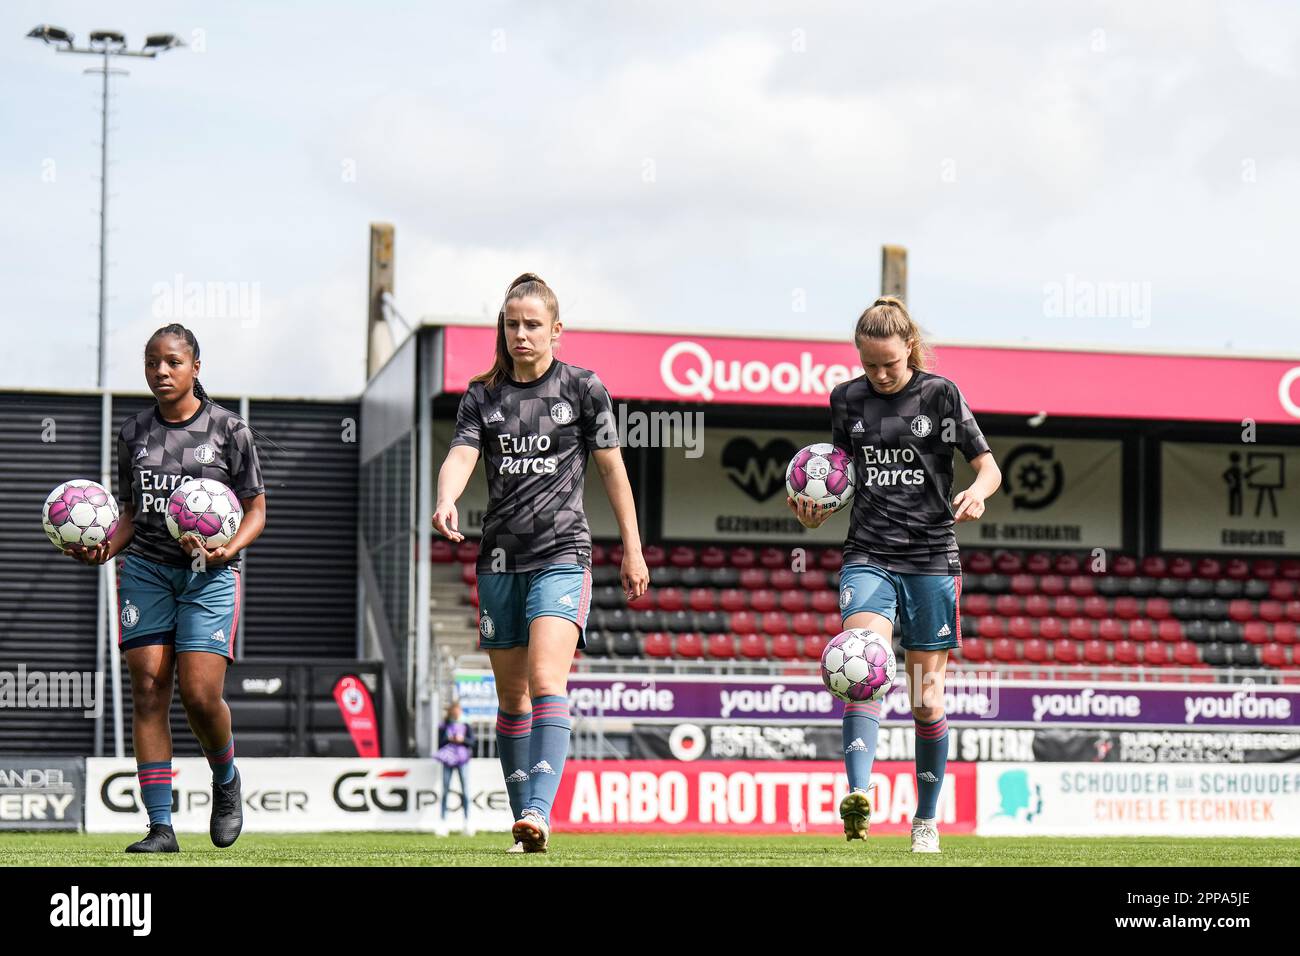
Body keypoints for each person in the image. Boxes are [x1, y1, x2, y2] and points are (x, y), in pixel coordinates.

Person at [432, 273, 649, 854]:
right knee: (511, 700)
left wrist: (632, 547)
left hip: (562, 554)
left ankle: (539, 811)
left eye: (532, 324)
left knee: (547, 680)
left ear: (556, 330)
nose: (521, 334)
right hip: (499, 560)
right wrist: (447, 497)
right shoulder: (482, 396)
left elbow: (612, 470)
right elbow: (461, 454)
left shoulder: (582, 388)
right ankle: (524, 822)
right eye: (512, 324)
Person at [788, 296, 1001, 853]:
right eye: (869, 364)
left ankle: (925, 820)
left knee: (926, 700)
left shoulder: (940, 395)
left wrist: (977, 493)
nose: (880, 375)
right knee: (861, 663)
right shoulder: (846, 399)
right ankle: (859, 793)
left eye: (889, 363)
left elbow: (988, 467)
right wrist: (812, 514)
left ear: (910, 347)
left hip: (931, 558)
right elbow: (836, 478)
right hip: (869, 554)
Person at [65, 323, 266, 853]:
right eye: (152, 362)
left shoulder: (229, 430)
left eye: (173, 362)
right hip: (146, 572)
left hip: (209, 575)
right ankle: (160, 827)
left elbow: (256, 511)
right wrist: (104, 548)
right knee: (149, 691)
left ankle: (226, 779)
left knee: (199, 696)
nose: (161, 371)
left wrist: (228, 548)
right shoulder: (133, 432)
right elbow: (129, 513)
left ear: (195, 367)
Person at [434, 701, 475, 835]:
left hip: (463, 761)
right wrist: (449, 739)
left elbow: (472, 742)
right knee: (445, 791)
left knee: (465, 791)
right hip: (448, 761)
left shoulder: (466, 725)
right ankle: (443, 822)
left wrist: (462, 740)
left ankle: (467, 822)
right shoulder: (444, 725)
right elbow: (439, 744)